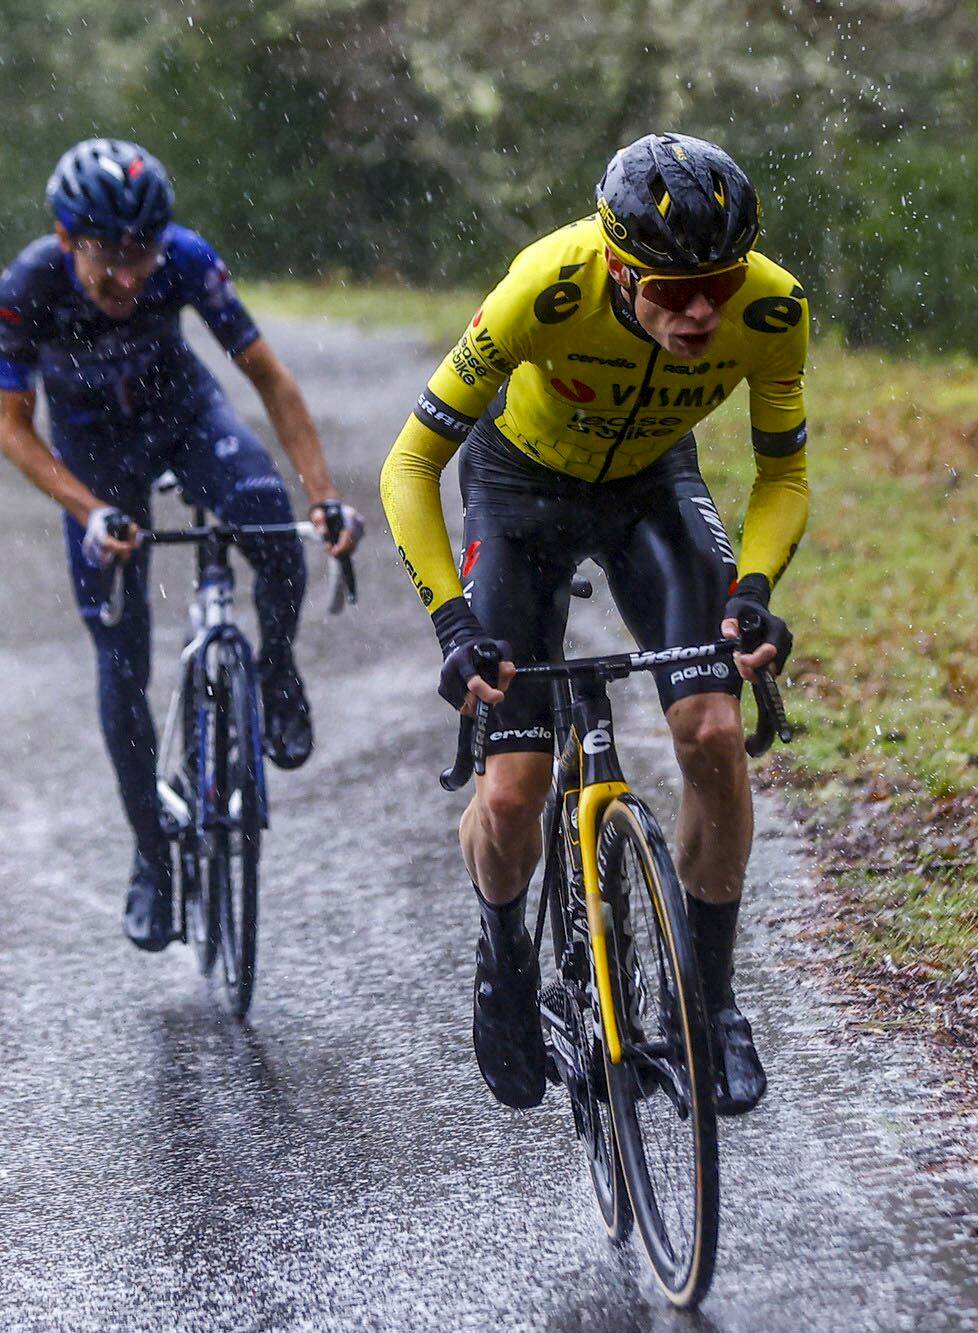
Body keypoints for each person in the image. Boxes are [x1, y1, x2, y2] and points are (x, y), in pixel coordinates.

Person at [379, 132, 808, 1115]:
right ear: (617, 266)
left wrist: (752, 587)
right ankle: (503, 958)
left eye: (719, 281)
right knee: (513, 787)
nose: (701, 311)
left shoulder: (772, 308)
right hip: (517, 490)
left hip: (652, 488)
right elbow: (410, 464)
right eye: (670, 287)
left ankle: (709, 1004)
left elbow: (784, 471)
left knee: (709, 731)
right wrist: (452, 622)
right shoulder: (546, 286)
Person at [0, 139, 364, 951]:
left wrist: (323, 495)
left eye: (142, 255)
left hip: (183, 417)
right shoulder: (28, 287)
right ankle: (152, 857)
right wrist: (89, 510)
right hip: (94, 460)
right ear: (67, 240)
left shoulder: (186, 260)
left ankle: (275, 668)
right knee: (120, 663)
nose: (129, 278)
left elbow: (270, 379)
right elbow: (14, 432)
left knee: (265, 514)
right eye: (109, 260)